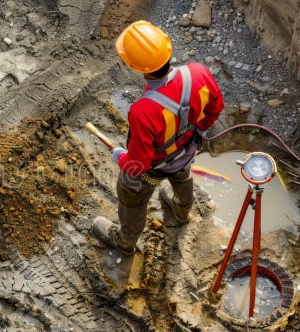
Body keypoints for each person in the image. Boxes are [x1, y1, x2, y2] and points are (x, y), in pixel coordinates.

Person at [92, 20, 224, 255]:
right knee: (183, 177)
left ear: (136, 67)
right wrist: (200, 131)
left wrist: (120, 156)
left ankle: (126, 241)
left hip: (154, 169)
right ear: (168, 47)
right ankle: (182, 213)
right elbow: (216, 105)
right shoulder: (198, 73)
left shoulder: (143, 111)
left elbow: (139, 164)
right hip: (186, 153)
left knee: (130, 195)